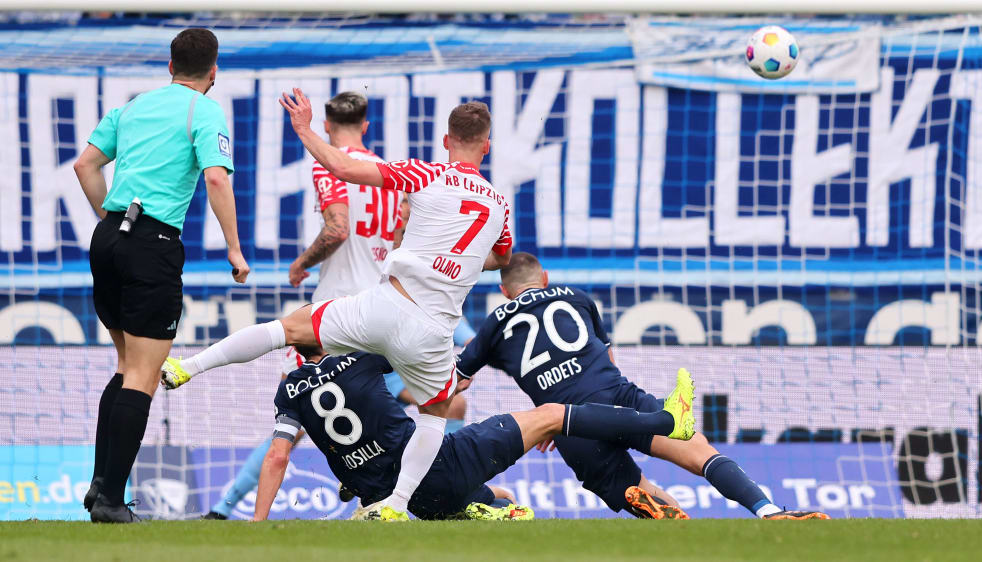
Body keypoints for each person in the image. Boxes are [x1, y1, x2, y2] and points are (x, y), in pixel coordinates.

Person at [162, 93, 512, 521]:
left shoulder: (424, 173)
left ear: (445, 140)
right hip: (431, 329)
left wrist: (304, 129)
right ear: (487, 146)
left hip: (379, 305)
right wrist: (465, 260)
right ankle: (396, 505)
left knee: (287, 338)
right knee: (438, 414)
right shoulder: (499, 204)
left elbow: (342, 173)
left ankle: (188, 367)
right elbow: (502, 257)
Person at [456, 252, 831, 521]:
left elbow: (460, 379)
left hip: (570, 426)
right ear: (545, 278)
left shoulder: (494, 325)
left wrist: (548, 420)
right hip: (619, 400)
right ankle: (768, 511)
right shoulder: (576, 297)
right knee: (701, 454)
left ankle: (659, 511)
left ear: (504, 291)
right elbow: (607, 357)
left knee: (648, 497)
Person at [74, 27, 250, 523]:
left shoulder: (132, 107)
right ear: (213, 71)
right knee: (144, 373)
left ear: (170, 66)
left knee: (126, 365)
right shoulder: (204, 110)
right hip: (152, 244)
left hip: (109, 238)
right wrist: (234, 249)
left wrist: (109, 219)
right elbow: (215, 177)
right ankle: (111, 501)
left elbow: (85, 165)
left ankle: (100, 485)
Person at [251, 344, 696, 521]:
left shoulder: (289, 392)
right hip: (439, 466)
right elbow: (426, 353)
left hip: (401, 500)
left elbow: (277, 457)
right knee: (551, 415)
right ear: (329, 338)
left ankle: (483, 509)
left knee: (500, 496)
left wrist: (257, 524)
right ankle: (664, 421)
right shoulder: (360, 359)